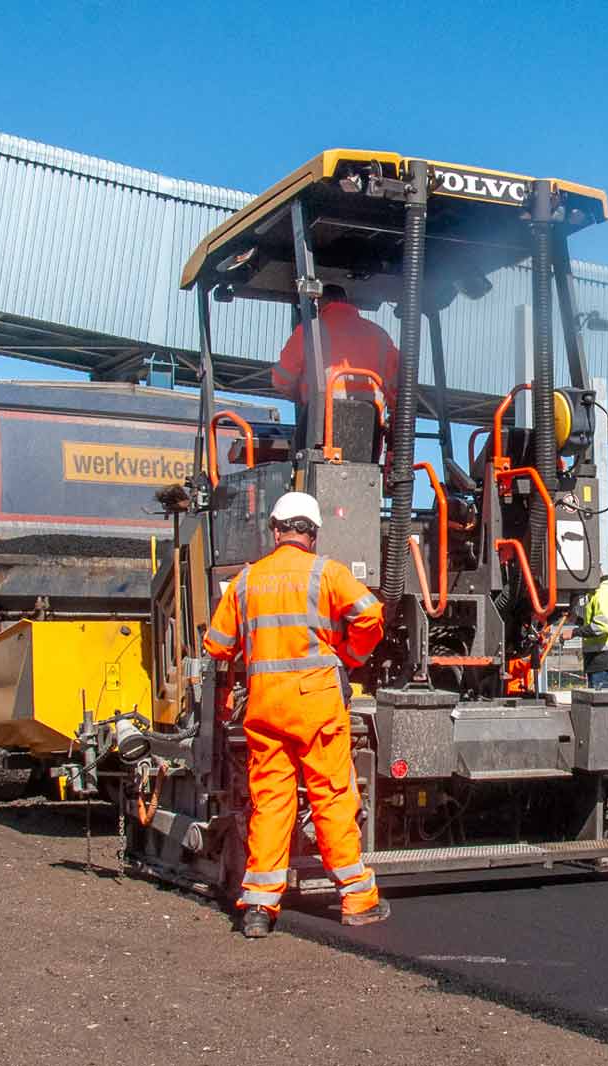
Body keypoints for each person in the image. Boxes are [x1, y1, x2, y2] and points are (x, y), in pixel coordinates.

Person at [202, 491, 389, 937]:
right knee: (332, 797)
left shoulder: (247, 581)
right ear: (314, 531)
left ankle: (259, 909)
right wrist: (348, 654)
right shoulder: (327, 573)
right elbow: (370, 614)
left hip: (266, 707)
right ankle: (357, 900)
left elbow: (217, 645)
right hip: (317, 705)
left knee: (270, 803)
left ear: (275, 529)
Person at [271, 284, 400, 413]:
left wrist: (299, 395)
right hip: (371, 427)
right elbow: (399, 384)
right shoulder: (379, 335)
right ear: (347, 302)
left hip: (321, 424)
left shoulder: (309, 331)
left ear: (319, 303)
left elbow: (282, 379)